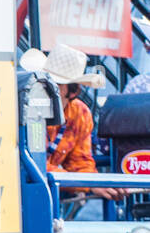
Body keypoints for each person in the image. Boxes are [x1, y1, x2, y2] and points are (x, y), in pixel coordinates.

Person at [34, 44, 125, 203]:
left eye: (56, 84)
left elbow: (80, 162)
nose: (48, 89)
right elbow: (31, 167)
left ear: (73, 91)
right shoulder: (25, 108)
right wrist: (87, 183)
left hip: (44, 196)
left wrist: (94, 182)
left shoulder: (79, 114)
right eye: (45, 82)